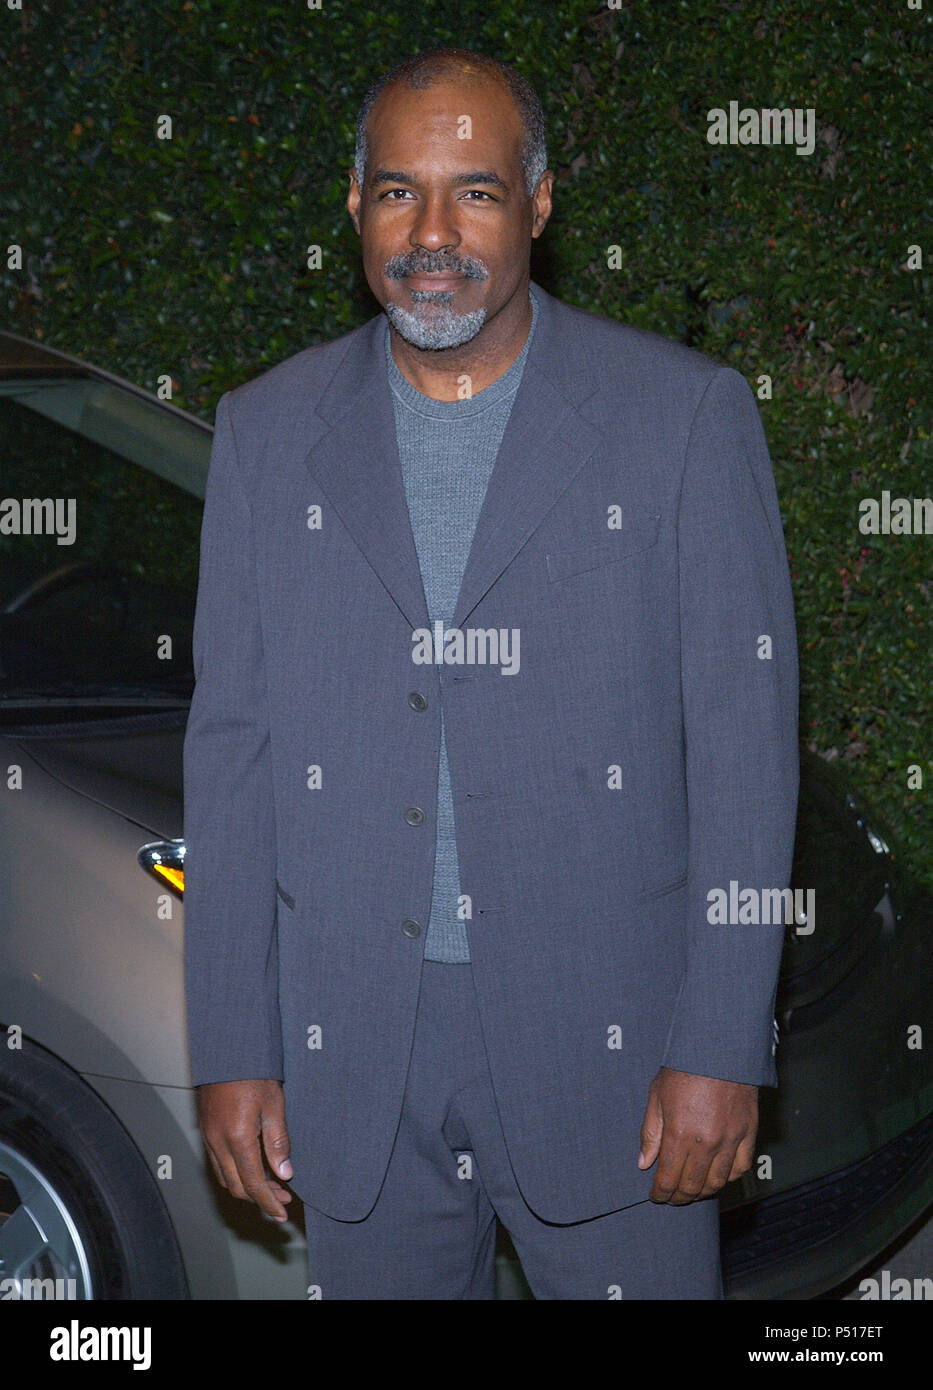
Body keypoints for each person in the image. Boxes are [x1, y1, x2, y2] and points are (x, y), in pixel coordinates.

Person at [183, 46, 800, 1300]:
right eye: (400, 191)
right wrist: (232, 1046)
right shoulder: (265, 433)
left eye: (475, 191)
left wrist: (723, 1041)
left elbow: (745, 745)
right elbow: (233, 749)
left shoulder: (682, 417)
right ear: (355, 206)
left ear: (540, 203)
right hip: (356, 1049)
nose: (433, 232)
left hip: (613, 1048)